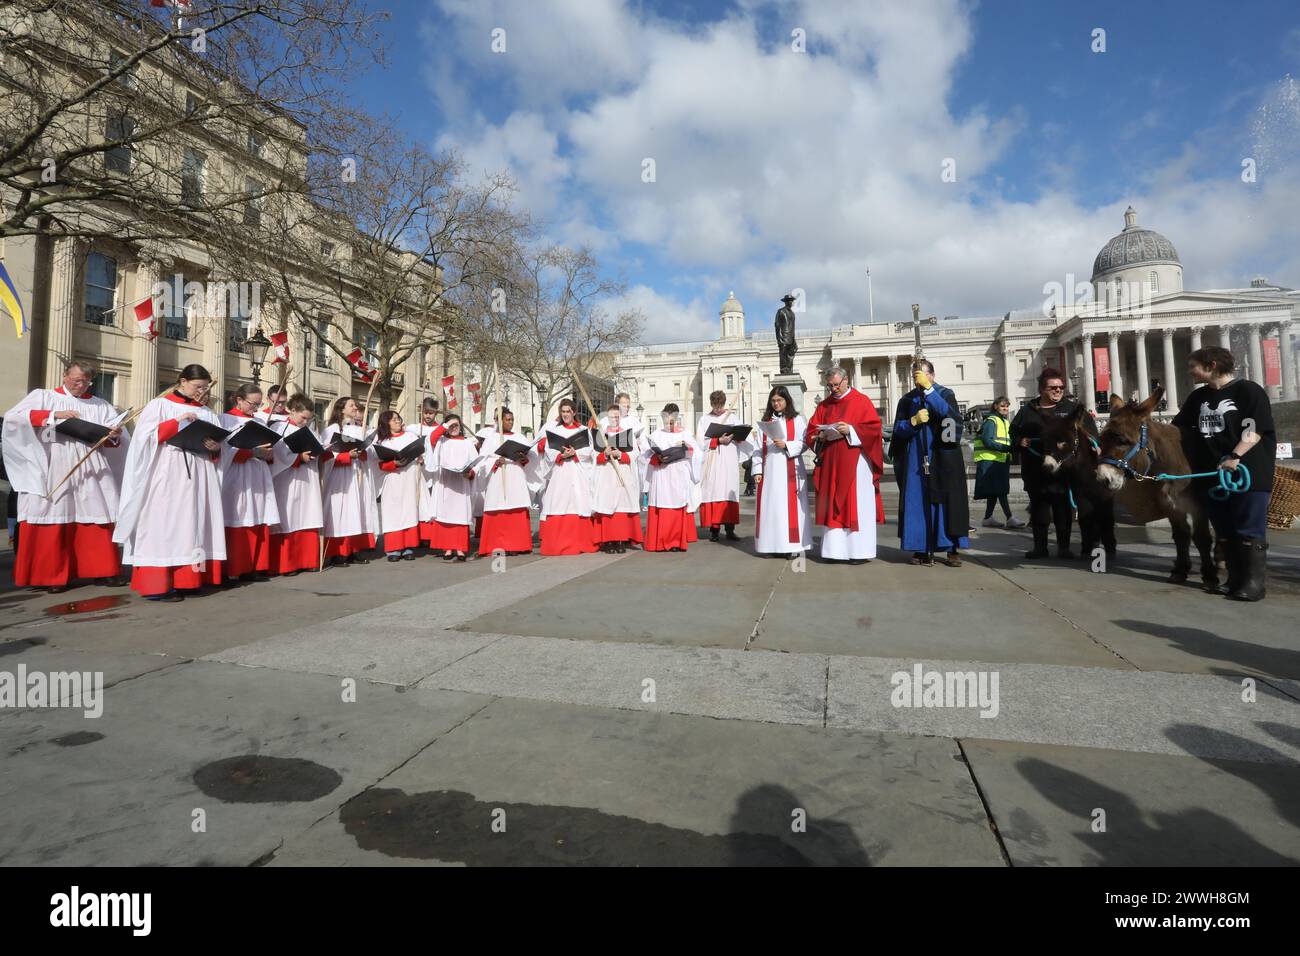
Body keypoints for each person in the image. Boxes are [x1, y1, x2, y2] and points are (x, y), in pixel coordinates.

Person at [2, 361, 130, 591]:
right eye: (75, 380)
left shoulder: (101, 405)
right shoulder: (44, 396)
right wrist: (53, 414)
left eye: (85, 382)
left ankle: (102, 571)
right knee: (54, 514)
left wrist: (113, 434)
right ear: (64, 376)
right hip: (54, 463)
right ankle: (53, 576)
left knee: (95, 515)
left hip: (91, 464)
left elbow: (115, 443)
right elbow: (14, 418)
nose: (80, 385)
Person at [113, 365, 226, 601]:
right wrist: (178, 422)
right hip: (166, 474)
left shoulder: (208, 412)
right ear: (182, 382)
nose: (201, 392)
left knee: (193, 525)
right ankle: (159, 585)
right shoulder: (160, 405)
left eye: (205, 388)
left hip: (199, 474)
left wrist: (216, 449)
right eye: (197, 387)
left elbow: (218, 448)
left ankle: (188, 580)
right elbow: (144, 438)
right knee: (164, 526)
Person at [1173, 346, 1276, 601]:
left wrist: (1235, 456)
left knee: (1248, 529)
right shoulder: (1198, 398)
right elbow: (1178, 429)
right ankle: (1234, 579)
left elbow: (1255, 429)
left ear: (1212, 366)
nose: (1190, 372)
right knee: (1225, 530)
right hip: (1211, 475)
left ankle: (1253, 584)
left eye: (1193, 366)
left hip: (1246, 473)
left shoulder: (1249, 391)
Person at [891, 360, 969, 566]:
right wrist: (912, 422)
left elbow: (950, 418)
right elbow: (897, 431)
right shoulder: (907, 400)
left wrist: (929, 391)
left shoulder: (945, 394)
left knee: (947, 502)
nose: (918, 380)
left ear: (931, 375)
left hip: (942, 455)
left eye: (923, 376)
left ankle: (951, 547)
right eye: (915, 376)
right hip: (916, 457)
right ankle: (921, 546)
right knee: (918, 502)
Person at [805, 368, 884, 563]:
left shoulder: (861, 401)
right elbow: (810, 432)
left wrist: (850, 430)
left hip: (856, 463)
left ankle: (858, 552)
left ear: (846, 380)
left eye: (836, 385)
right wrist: (821, 435)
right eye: (829, 386)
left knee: (855, 504)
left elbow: (874, 429)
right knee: (833, 504)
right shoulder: (824, 406)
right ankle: (834, 551)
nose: (833, 389)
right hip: (831, 464)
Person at [1011, 368, 1088, 559]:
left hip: (1063, 473)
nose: (1058, 391)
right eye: (1053, 388)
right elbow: (1012, 434)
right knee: (1039, 511)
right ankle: (1040, 548)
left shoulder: (1071, 409)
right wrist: (1019, 442)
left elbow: (1089, 435)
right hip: (1035, 471)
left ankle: (1064, 548)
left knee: (1063, 510)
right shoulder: (1026, 411)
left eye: (1061, 387)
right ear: (1042, 389)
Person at [219, 383, 280, 581]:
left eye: (259, 404)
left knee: (256, 519)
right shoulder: (225, 420)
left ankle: (253, 567)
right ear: (239, 400)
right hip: (236, 477)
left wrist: (268, 453)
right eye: (253, 404)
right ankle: (234, 568)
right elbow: (222, 452)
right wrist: (249, 452)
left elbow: (270, 451)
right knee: (237, 520)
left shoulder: (260, 422)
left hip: (257, 475)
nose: (256, 408)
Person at [268, 395, 324, 576]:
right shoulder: (279, 427)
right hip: (287, 481)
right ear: (292, 411)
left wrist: (319, 453)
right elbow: (277, 454)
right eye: (303, 417)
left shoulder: (311, 431)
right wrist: (298, 457)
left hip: (308, 478)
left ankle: (307, 560)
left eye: (309, 419)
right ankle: (288, 564)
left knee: (307, 515)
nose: (305, 422)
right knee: (289, 517)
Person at [319, 397, 378, 566]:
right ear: (341, 409)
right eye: (351, 405)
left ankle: (354, 549)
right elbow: (326, 455)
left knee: (357, 511)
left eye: (355, 405)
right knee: (341, 511)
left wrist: (364, 452)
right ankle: (338, 551)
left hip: (358, 474)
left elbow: (372, 453)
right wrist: (346, 456)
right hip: (340, 477)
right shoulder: (332, 430)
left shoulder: (360, 429)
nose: (355, 407)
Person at [752, 385, 809, 557]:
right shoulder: (765, 422)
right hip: (770, 471)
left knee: (788, 509)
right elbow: (757, 448)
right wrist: (757, 470)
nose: (776, 404)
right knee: (771, 508)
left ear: (787, 401)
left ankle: (790, 547)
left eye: (779, 400)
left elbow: (805, 442)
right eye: (773, 401)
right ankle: (770, 546)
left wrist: (787, 445)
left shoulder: (797, 420)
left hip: (790, 470)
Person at [539, 398, 597, 555]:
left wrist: (575, 452)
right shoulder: (555, 431)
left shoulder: (583, 430)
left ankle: (580, 543)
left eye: (568, 412)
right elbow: (549, 451)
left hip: (577, 470)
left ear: (574, 413)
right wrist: (561, 455)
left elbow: (589, 449)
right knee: (559, 500)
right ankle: (558, 543)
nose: (565, 415)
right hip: (561, 470)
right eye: (563, 412)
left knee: (578, 500)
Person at [478, 408, 540, 556]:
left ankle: (516, 545)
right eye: (507, 420)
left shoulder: (519, 437)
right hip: (499, 475)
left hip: (515, 475)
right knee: (498, 508)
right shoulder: (492, 439)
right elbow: (482, 461)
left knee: (516, 507)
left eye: (512, 420)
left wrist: (524, 459)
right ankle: (497, 544)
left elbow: (531, 459)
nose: (510, 422)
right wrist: (495, 461)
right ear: (500, 421)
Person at [641, 403, 702, 552]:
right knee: (662, 506)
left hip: (678, 475)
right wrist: (657, 458)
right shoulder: (655, 435)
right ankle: (660, 542)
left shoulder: (685, 434)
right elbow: (644, 457)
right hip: (661, 475)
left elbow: (698, 454)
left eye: (672, 418)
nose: (669, 422)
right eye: (666, 418)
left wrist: (687, 447)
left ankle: (675, 542)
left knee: (676, 507)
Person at [696, 390, 753, 542]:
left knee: (729, 491)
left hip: (729, 460)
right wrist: (717, 441)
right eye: (715, 406)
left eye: (720, 405)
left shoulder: (732, 417)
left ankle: (730, 530)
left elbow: (742, 437)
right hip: (713, 461)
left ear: (724, 403)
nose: (718, 409)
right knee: (713, 491)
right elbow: (700, 442)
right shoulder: (704, 419)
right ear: (711, 404)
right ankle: (714, 530)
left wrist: (737, 436)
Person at [425, 412, 477, 561]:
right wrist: (445, 426)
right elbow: (431, 438)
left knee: (460, 516)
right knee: (445, 516)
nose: (454, 428)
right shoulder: (441, 441)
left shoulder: (467, 443)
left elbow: (476, 463)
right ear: (446, 427)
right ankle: (447, 548)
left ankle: (460, 549)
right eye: (451, 425)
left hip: (461, 484)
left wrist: (471, 473)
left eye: (457, 425)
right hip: (445, 483)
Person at [592, 403, 642, 553]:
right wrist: (605, 453)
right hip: (606, 474)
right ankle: (608, 541)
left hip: (622, 474)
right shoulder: (601, 434)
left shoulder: (628, 434)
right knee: (607, 507)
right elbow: (593, 455)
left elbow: (635, 454)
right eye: (612, 416)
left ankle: (620, 540)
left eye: (617, 416)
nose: (615, 419)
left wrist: (619, 454)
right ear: (608, 417)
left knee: (621, 507)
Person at [373, 410, 423, 561]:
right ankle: (394, 549)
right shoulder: (383, 442)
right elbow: (377, 465)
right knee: (393, 513)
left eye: (398, 418)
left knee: (408, 511)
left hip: (408, 478)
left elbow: (422, 454)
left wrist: (421, 458)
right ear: (385, 423)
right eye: (393, 419)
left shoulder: (411, 436)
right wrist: (393, 463)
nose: (397, 421)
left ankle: (408, 547)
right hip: (392, 480)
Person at [972, 396, 1024, 529]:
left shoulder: (1004, 422)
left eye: (1007, 406)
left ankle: (988, 518)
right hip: (990, 460)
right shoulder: (992, 421)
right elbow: (987, 441)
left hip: (999, 459)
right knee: (1001, 490)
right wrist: (1007, 448)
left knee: (995, 491)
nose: (1005, 408)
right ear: (995, 406)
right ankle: (1010, 517)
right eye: (1002, 406)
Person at [413, 397, 448, 553]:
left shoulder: (441, 429)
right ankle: (419, 535)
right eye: (426, 413)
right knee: (419, 502)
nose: (428, 416)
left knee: (433, 501)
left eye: (431, 413)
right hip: (419, 468)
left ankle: (432, 535)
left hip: (434, 470)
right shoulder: (413, 428)